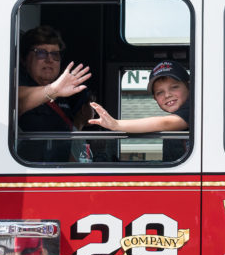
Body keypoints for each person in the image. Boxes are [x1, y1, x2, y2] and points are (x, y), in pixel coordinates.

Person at [17, 25, 93, 162]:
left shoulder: (62, 95)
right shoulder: (16, 88)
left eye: (55, 54)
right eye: (41, 53)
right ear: (24, 59)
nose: (49, 60)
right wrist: (54, 90)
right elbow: (19, 101)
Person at [88, 60, 191, 160]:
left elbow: (165, 123)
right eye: (160, 92)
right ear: (154, 98)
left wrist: (116, 125)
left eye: (174, 87)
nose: (167, 95)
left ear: (189, 86)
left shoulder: (193, 110)